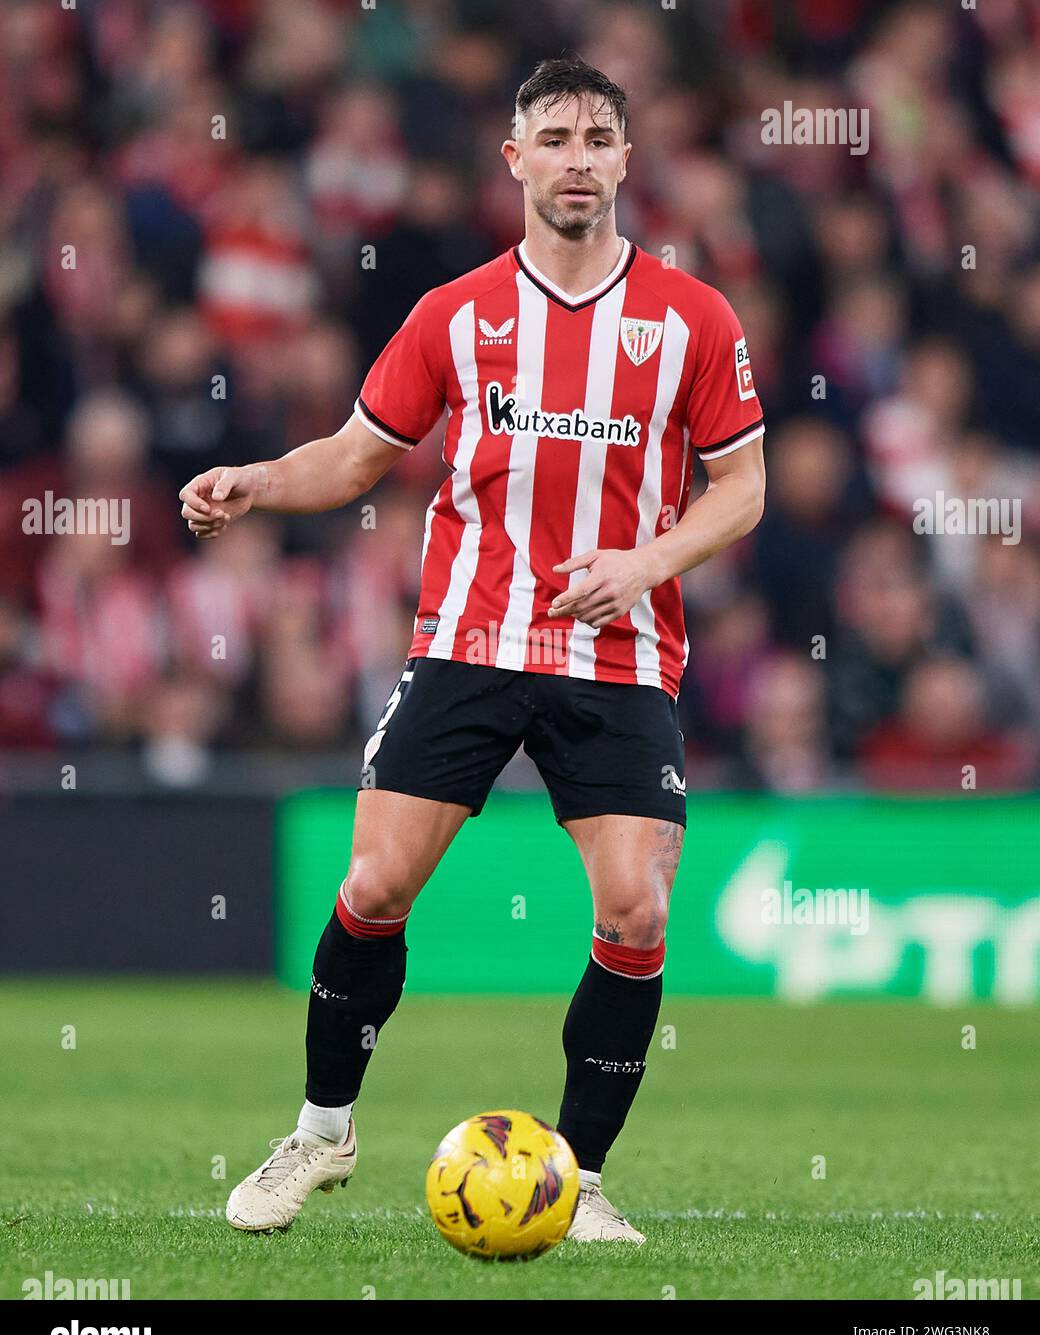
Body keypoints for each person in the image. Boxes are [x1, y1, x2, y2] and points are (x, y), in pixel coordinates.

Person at [179, 57, 766, 1244]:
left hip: (620, 651)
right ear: (514, 160)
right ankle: (320, 1131)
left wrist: (641, 566)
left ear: (624, 160)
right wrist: (254, 480)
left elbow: (740, 489)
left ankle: (581, 1180)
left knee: (636, 910)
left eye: (598, 137)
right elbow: (354, 455)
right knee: (374, 886)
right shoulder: (454, 312)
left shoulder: (692, 316)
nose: (577, 159)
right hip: (466, 635)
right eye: (552, 137)